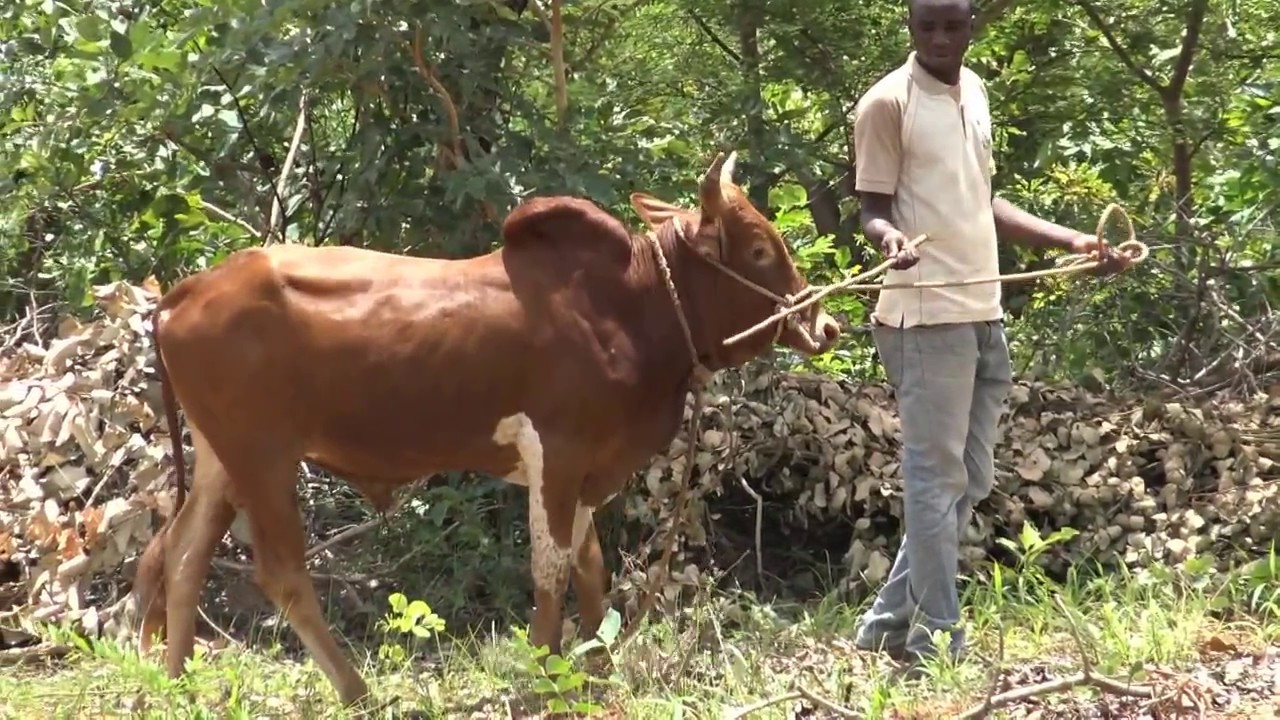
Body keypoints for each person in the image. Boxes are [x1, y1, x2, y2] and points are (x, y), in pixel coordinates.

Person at [848, 0, 1130, 672]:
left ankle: (886, 622)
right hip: (923, 317)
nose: (940, 38)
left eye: (952, 25)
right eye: (926, 26)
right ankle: (935, 641)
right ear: (910, 30)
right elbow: (872, 209)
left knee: (968, 479)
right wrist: (891, 242)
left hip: (982, 308)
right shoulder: (887, 104)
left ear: (972, 26)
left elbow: (985, 201)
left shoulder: (974, 91)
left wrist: (1074, 241)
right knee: (933, 478)